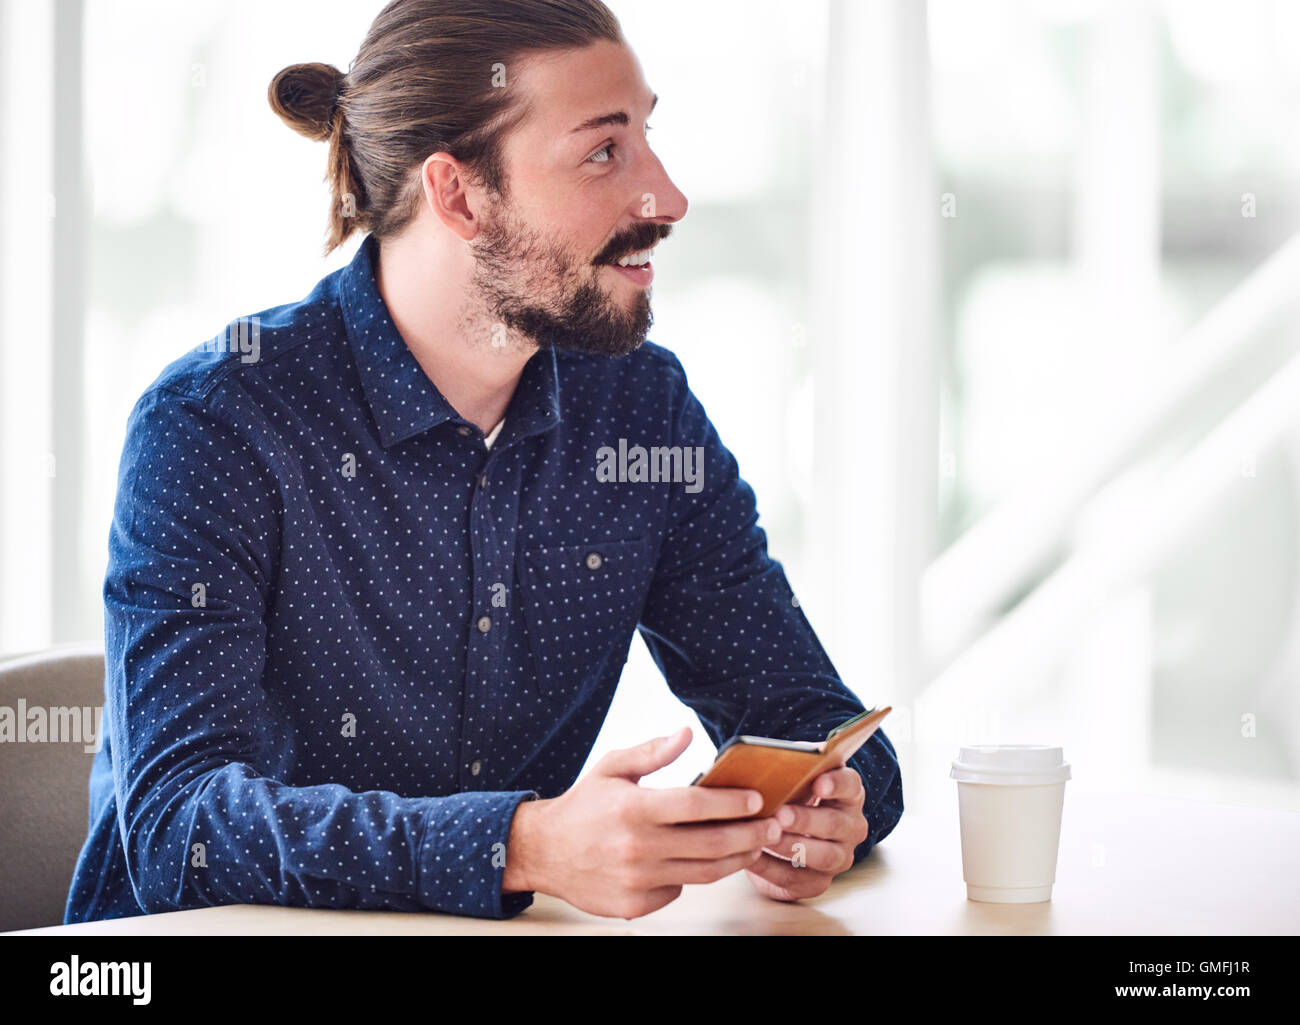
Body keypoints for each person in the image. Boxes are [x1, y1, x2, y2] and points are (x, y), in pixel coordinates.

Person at [66, 0, 902, 924]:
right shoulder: (216, 423)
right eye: (603, 152)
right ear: (458, 194)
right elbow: (179, 828)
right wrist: (523, 844)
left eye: (647, 138)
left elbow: (810, 715)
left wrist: (831, 805)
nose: (665, 195)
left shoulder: (640, 413)